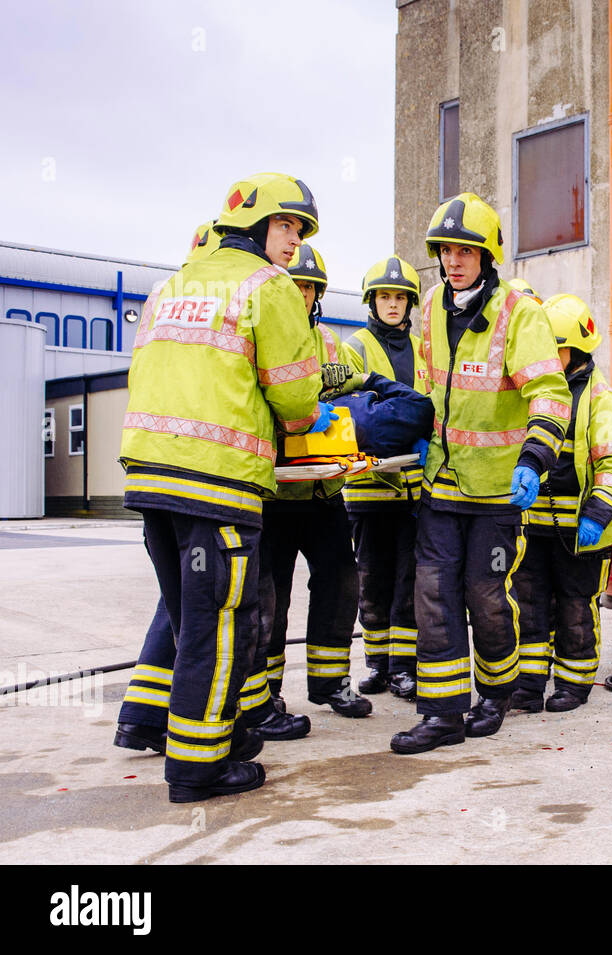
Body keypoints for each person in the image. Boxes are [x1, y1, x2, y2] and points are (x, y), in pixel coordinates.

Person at [119, 173, 330, 802]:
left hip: (150, 477)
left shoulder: (173, 284)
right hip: (219, 485)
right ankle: (198, 768)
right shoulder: (268, 288)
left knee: (189, 619)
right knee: (222, 626)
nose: (294, 242)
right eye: (288, 225)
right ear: (255, 225)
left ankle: (216, 735)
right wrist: (304, 413)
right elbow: (295, 398)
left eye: (299, 230)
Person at [389, 193, 571, 755]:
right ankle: (441, 713)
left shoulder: (519, 313)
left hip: (497, 492)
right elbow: (426, 384)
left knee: (486, 594)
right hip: (441, 487)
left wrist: (534, 458)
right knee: (435, 596)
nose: (453, 260)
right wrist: (416, 431)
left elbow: (549, 392)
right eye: (445, 250)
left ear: (487, 254)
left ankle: (496, 692)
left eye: (465, 250)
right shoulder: (429, 305)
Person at [509, 293, 612, 713]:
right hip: (534, 523)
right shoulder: (534, 392)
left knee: (575, 605)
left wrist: (597, 515)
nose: (550, 356)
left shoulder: (601, 399)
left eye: (558, 348)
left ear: (578, 349)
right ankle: (530, 684)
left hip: (582, 526)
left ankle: (573, 683)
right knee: (530, 603)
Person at [248, 244, 370, 726]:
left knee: (342, 581)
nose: (301, 296)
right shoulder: (260, 333)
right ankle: (267, 691)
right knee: (270, 595)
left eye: (308, 288)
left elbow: (347, 399)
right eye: (294, 286)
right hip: (275, 493)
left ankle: (330, 682)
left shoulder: (330, 344)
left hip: (323, 492)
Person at [343, 256, 429, 700]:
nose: (392, 304)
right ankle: (376, 665)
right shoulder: (354, 346)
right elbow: (356, 413)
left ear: (410, 303)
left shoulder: (424, 349)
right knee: (371, 579)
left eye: (399, 297)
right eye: (384, 296)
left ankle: (403, 668)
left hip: (414, 489)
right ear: (371, 301)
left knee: (409, 581)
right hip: (368, 488)